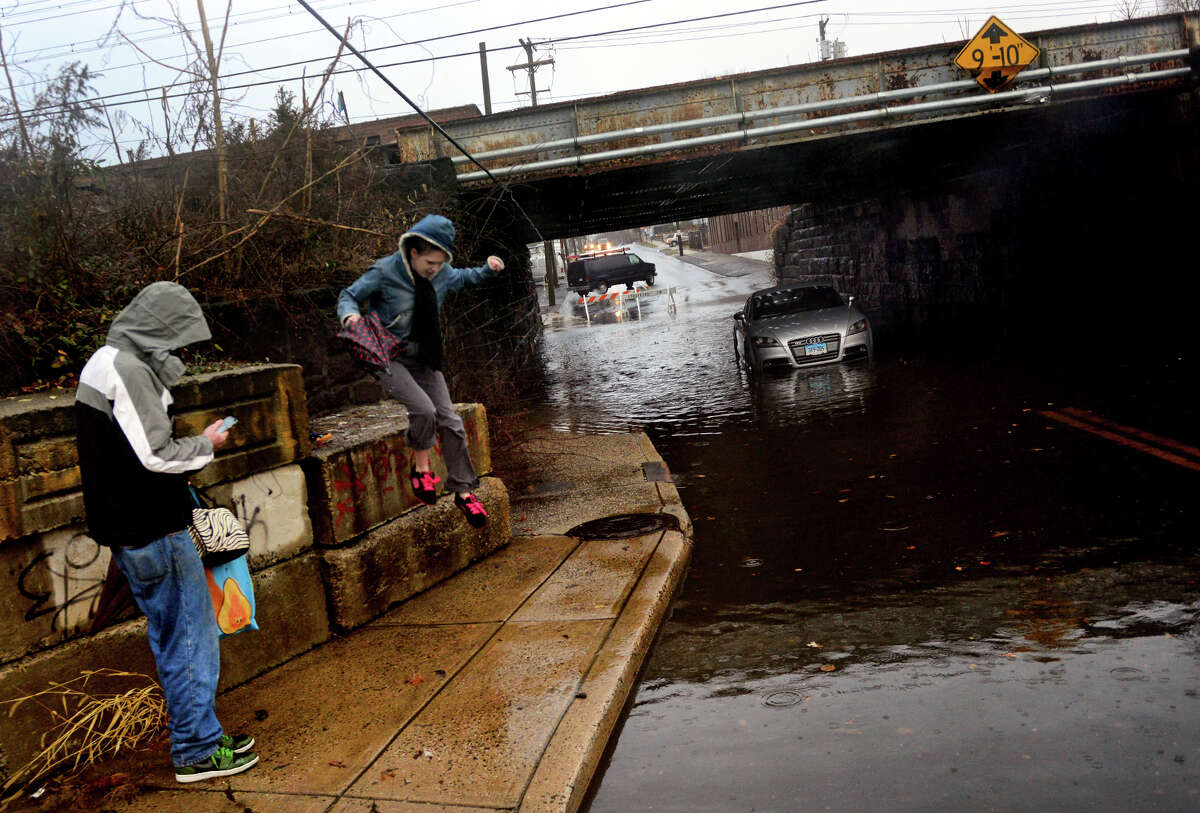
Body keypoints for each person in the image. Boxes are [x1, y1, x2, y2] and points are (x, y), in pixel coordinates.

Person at [75, 282, 258, 783]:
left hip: (128, 525)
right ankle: (197, 750)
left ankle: (201, 732)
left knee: (172, 634)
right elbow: (155, 455)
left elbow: (124, 448)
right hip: (153, 525)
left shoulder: (105, 361)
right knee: (189, 638)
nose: (177, 350)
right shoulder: (130, 371)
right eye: (175, 339)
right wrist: (208, 442)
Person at [337, 214, 504, 528]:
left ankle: (464, 492)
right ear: (413, 251)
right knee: (424, 410)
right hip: (388, 356)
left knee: (451, 421)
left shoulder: (441, 274)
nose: (434, 270)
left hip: (424, 357)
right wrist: (350, 317)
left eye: (440, 264)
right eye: (430, 262)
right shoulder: (385, 272)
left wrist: (488, 270)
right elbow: (349, 295)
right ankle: (421, 471)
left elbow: (467, 278)